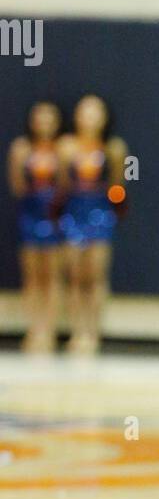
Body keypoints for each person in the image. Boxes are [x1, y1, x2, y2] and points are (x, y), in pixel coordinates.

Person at [58, 94, 127, 355]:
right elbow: (62, 184)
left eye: (96, 112)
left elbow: (118, 184)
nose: (90, 118)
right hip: (74, 212)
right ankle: (76, 330)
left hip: (100, 212)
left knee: (95, 276)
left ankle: (93, 331)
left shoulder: (114, 147)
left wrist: (111, 209)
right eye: (85, 111)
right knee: (75, 276)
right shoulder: (66, 146)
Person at [7, 101, 64, 353]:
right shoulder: (21, 148)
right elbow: (17, 186)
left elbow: (66, 184)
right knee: (32, 277)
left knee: (52, 276)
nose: (44, 124)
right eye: (39, 118)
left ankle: (49, 329)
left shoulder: (63, 149)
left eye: (49, 119)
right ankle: (34, 327)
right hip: (31, 215)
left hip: (54, 215)